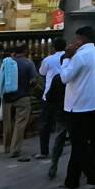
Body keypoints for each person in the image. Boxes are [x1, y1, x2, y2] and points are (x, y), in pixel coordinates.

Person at [59, 26, 95, 189]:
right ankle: (72, 180)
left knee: (80, 145)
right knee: (82, 144)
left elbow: (64, 77)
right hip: (94, 105)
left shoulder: (79, 56)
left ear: (81, 38)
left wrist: (67, 58)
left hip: (77, 107)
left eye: (76, 39)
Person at [0, 44, 38, 161]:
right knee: (20, 123)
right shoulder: (28, 63)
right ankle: (15, 149)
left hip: (7, 97)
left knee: (7, 123)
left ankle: (7, 147)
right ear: (25, 51)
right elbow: (34, 80)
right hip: (22, 96)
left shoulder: (7, 62)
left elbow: (0, 80)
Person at [37, 38, 68, 168]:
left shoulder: (48, 59)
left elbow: (42, 73)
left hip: (50, 95)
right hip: (66, 95)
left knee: (45, 123)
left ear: (53, 47)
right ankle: (62, 143)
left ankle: (44, 151)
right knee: (63, 123)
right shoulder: (70, 58)